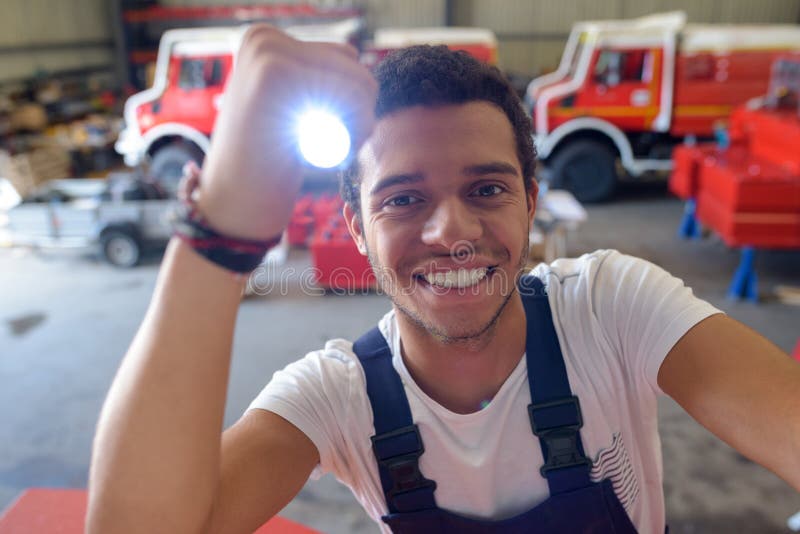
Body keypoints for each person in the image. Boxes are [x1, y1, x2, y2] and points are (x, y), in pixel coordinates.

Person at [87, 25, 800, 533]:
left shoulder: (611, 309)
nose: (452, 232)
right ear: (357, 226)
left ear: (531, 197)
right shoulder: (338, 397)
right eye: (402, 199)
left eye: (487, 189)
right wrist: (216, 238)